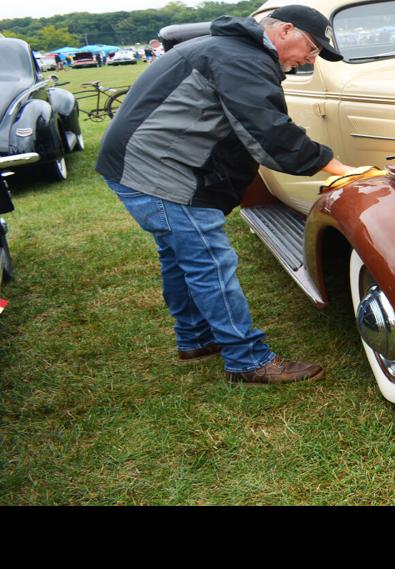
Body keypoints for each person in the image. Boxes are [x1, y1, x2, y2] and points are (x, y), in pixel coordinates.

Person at [97, 6, 359, 384]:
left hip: (137, 166)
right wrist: (343, 169)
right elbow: (270, 134)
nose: (308, 59)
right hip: (160, 171)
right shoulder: (240, 58)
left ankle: (195, 338)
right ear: (285, 30)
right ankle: (247, 361)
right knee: (210, 264)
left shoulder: (227, 49)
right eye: (312, 48)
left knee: (179, 257)